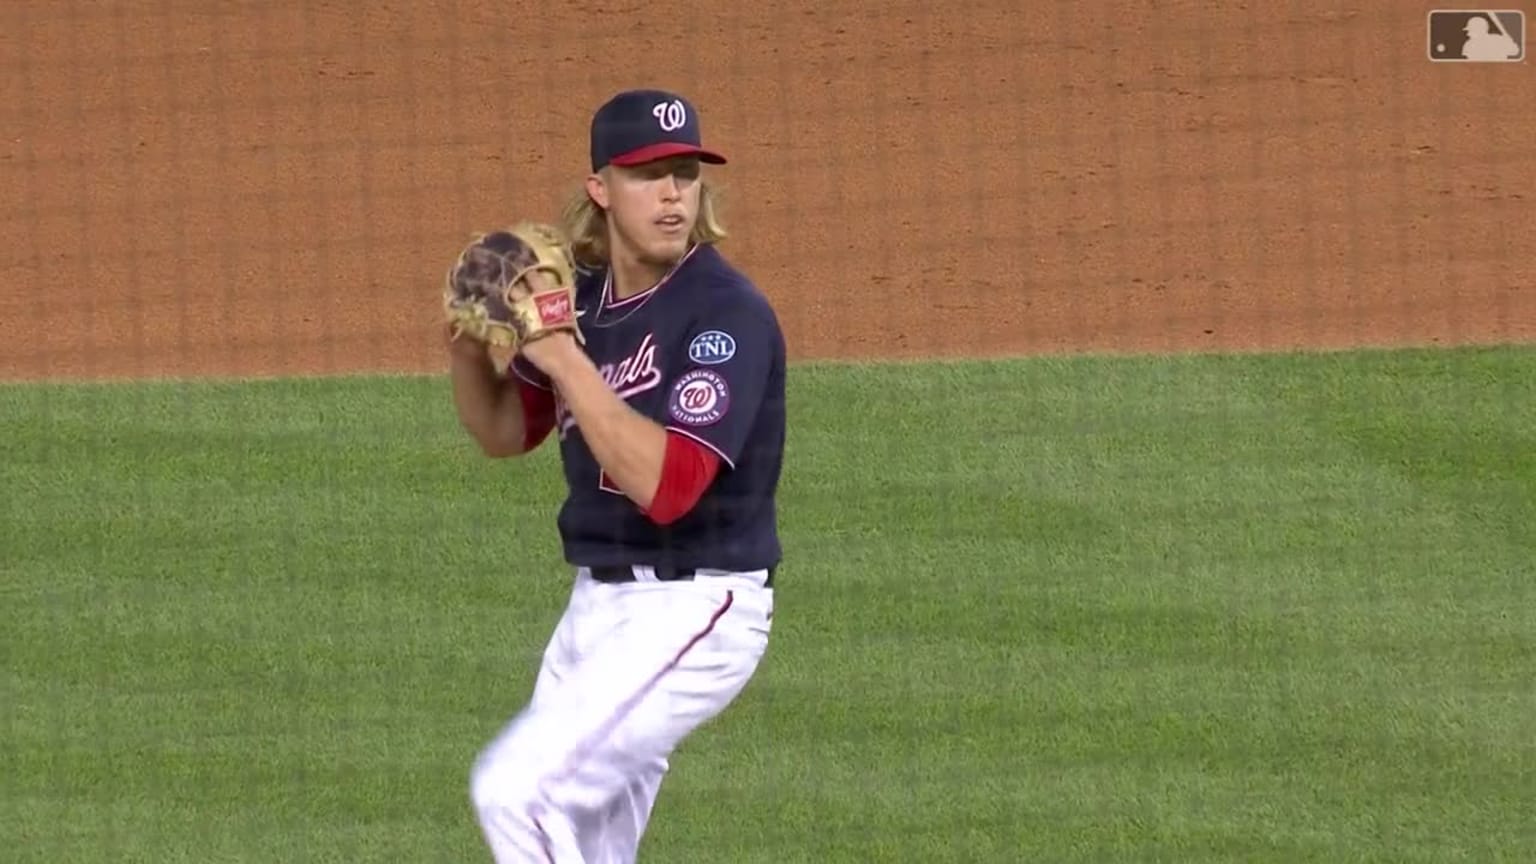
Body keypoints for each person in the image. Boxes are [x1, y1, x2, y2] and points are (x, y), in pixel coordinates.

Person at [448, 88, 786, 863]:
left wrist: (561, 353)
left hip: (697, 607)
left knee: (515, 792)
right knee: (587, 841)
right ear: (600, 189)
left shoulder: (727, 314)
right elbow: (506, 431)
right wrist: (468, 345)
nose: (673, 193)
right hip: (593, 613)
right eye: (648, 175)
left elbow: (669, 489)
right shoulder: (587, 301)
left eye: (684, 173)